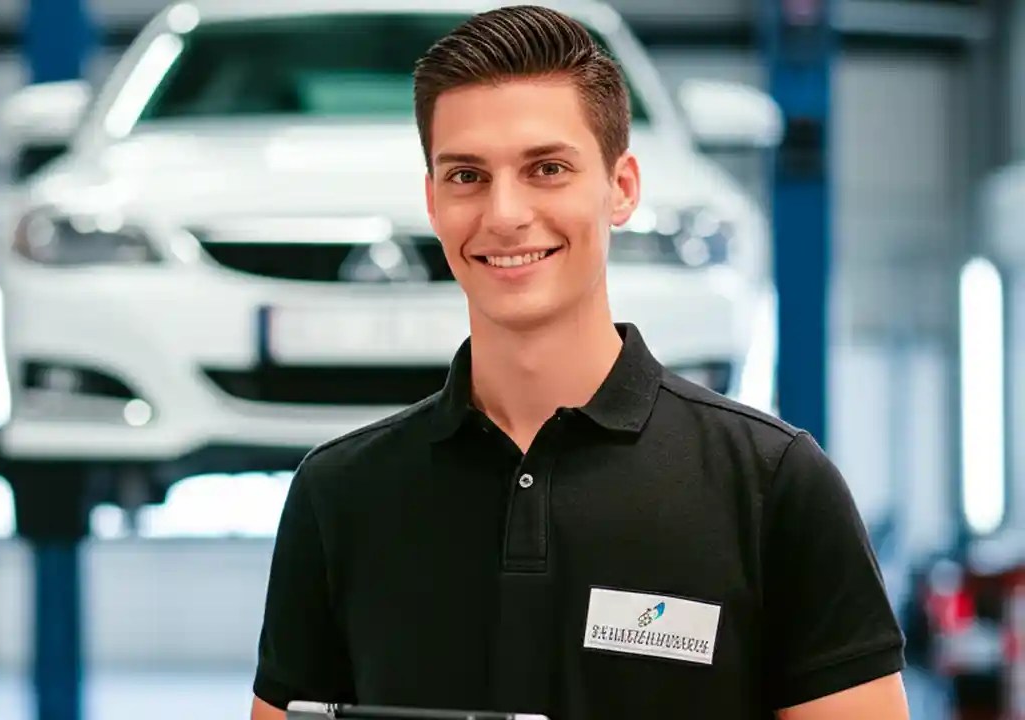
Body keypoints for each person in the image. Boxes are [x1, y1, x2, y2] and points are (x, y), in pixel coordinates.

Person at [251, 5, 909, 719]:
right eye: (467, 175)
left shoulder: (773, 487)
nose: (504, 213)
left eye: (547, 169)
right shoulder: (339, 496)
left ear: (622, 187)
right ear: (433, 202)